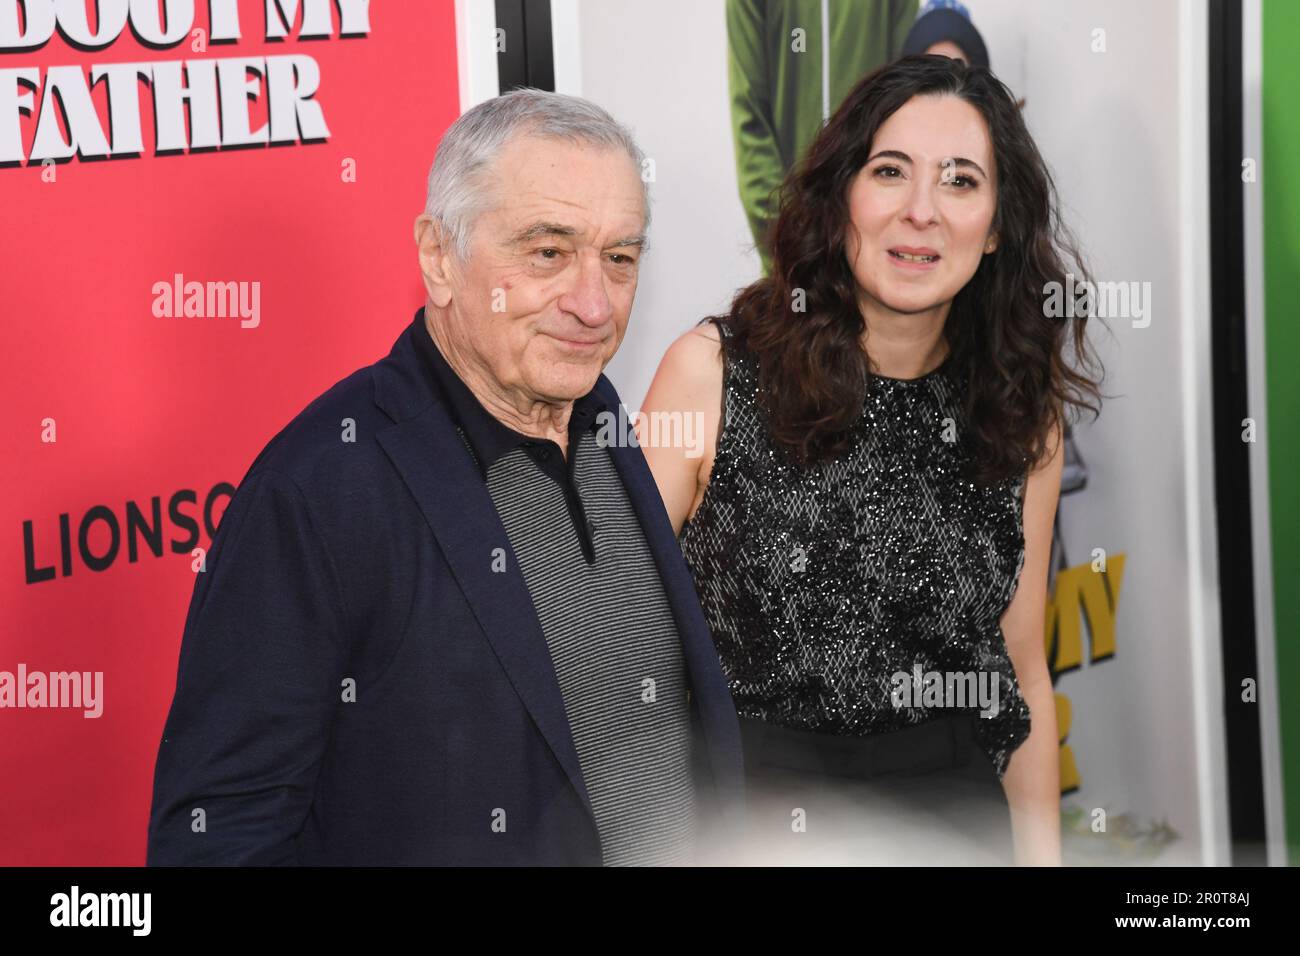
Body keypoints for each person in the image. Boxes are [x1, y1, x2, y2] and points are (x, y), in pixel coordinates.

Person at [146, 89, 745, 867]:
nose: (594, 304)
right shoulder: (320, 488)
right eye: (548, 252)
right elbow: (219, 836)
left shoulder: (602, 418)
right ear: (439, 257)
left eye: (620, 258)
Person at [640, 54, 1101, 866]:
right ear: (841, 196)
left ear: (996, 226)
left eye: (960, 181)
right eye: (890, 171)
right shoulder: (711, 374)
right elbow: (621, 648)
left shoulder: (1019, 409)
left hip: (954, 821)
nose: (921, 211)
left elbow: (1023, 667)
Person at [727, 0, 919, 274]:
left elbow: (909, 92)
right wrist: (789, 237)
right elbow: (750, 118)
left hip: (876, 242)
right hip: (792, 265)